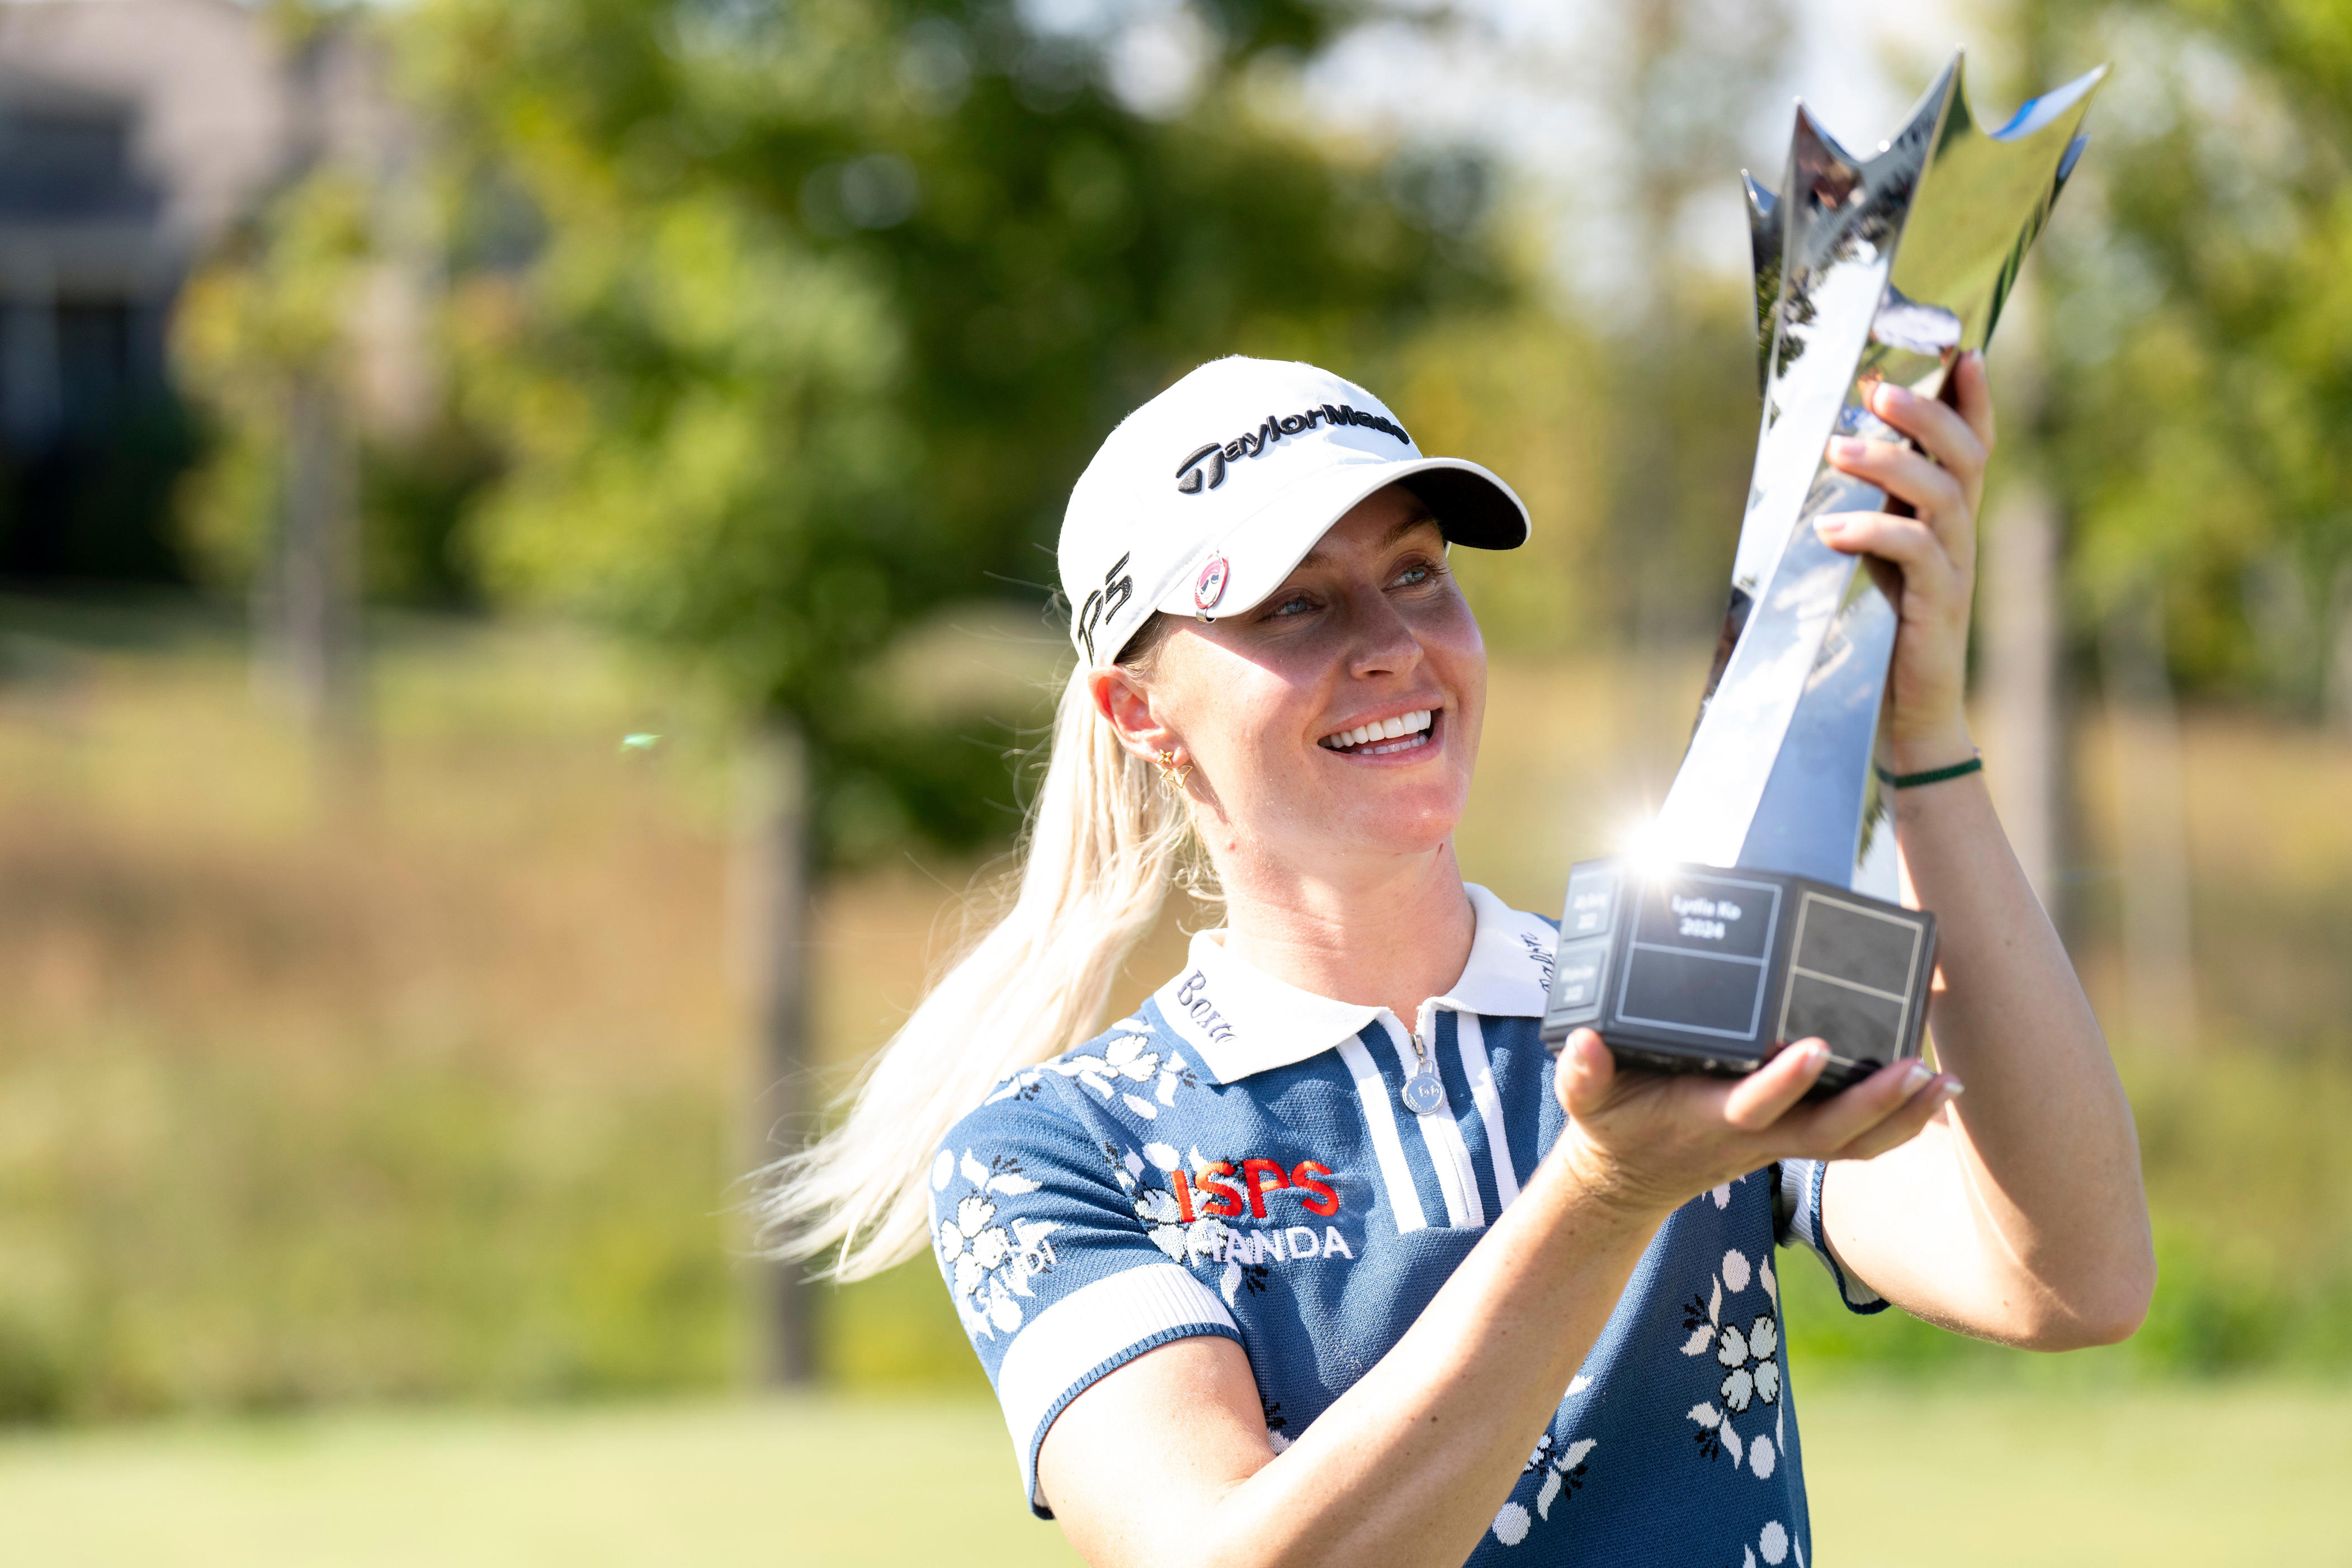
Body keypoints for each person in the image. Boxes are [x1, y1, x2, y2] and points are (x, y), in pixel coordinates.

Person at [762, 355, 2153, 1567]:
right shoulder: (1051, 1151)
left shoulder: (1672, 988)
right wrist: (1607, 1192)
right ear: (1140, 712)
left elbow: (2071, 1279)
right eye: (1294, 605)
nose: (1392, 648)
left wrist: (1923, 740)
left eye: (1416, 573)